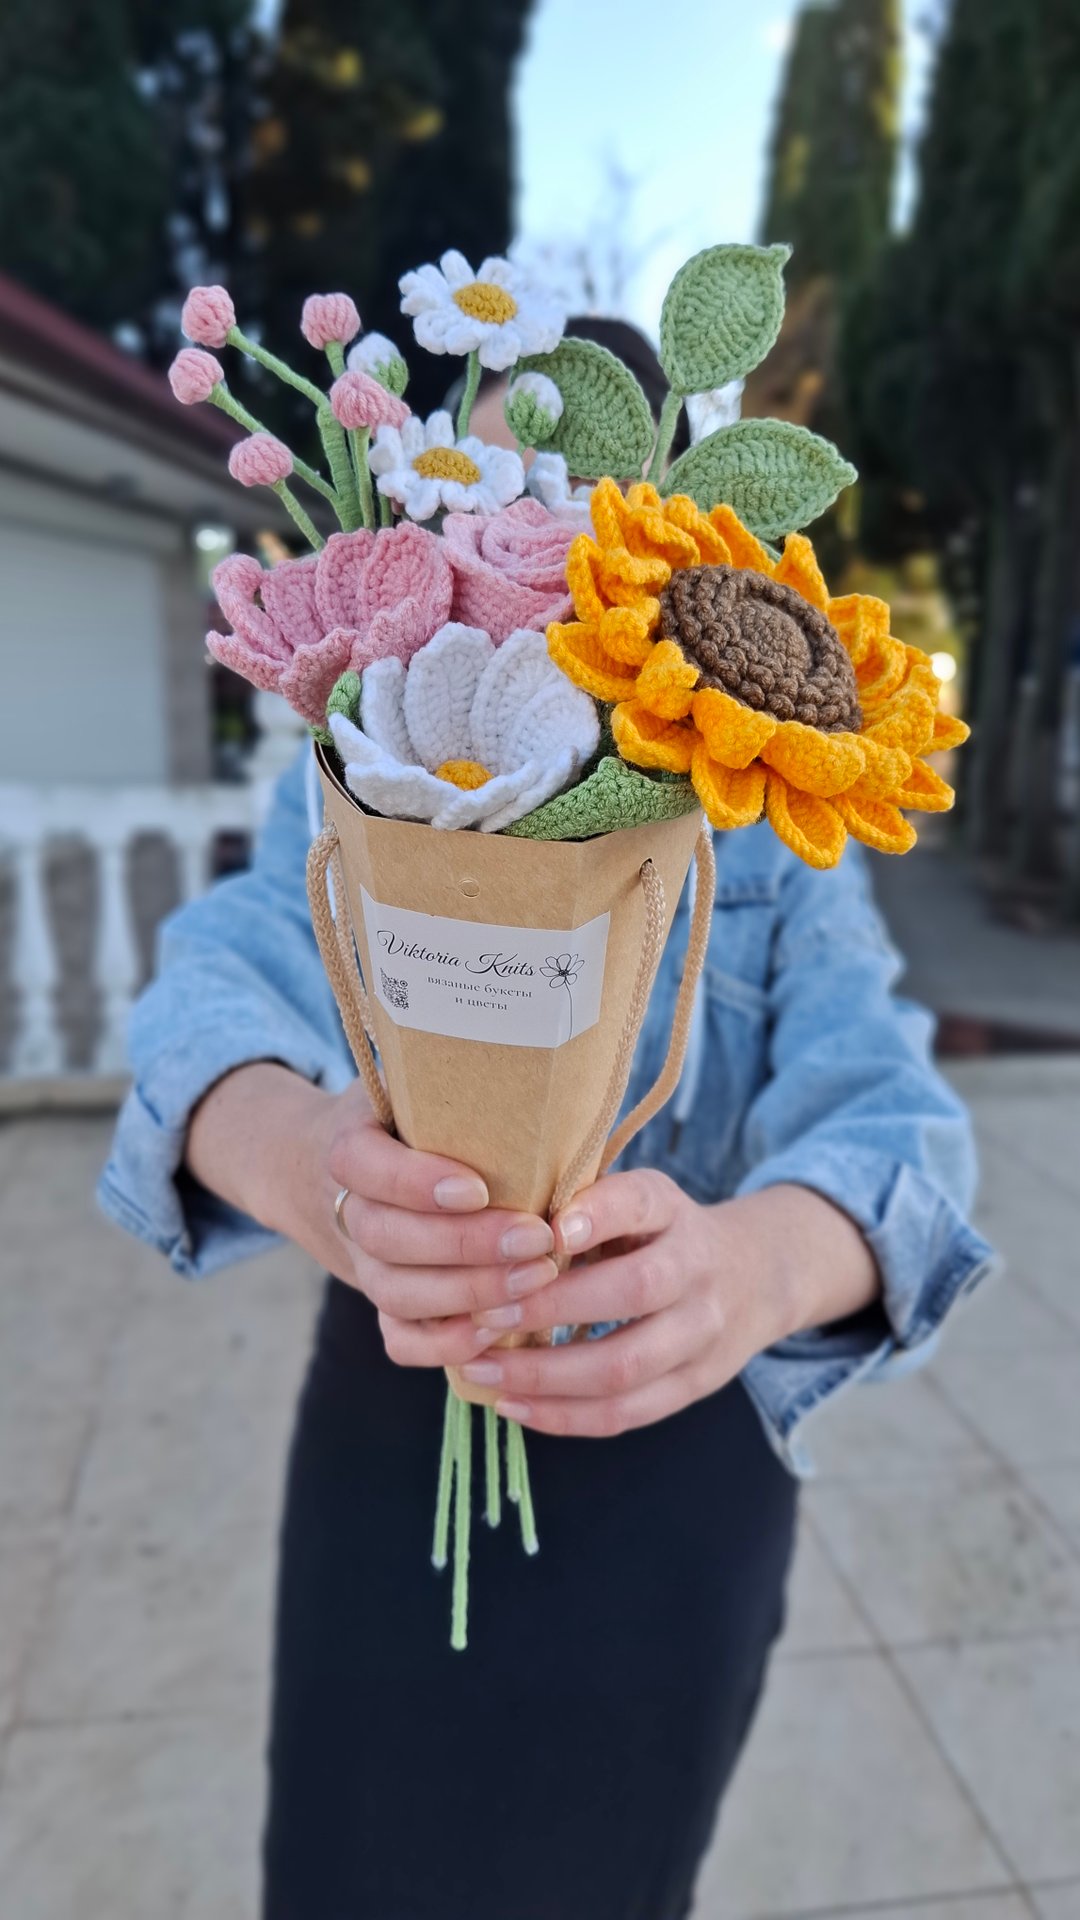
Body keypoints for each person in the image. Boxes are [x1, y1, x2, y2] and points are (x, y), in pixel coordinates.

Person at [99, 322, 992, 1920]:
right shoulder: (374, 750)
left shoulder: (762, 813)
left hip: (687, 1438)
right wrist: (313, 1168)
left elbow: (892, 1111)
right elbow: (215, 990)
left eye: (587, 506)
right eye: (496, 498)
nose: (540, 554)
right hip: (399, 1413)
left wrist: (756, 1270)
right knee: (346, 1867)